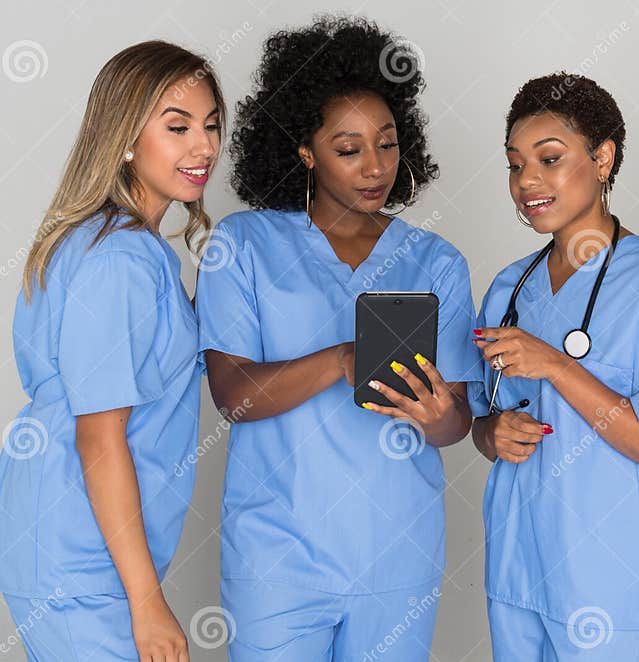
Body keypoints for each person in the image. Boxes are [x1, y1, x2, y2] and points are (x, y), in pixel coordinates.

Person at [195, 16, 481, 661]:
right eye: (349, 150)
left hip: (397, 552)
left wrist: (438, 414)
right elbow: (233, 395)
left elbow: (456, 422)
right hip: (276, 556)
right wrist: (343, 359)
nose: (375, 167)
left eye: (388, 144)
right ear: (306, 152)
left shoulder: (436, 261)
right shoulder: (243, 244)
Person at [470, 72, 639, 661]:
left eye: (549, 159)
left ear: (603, 159)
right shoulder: (509, 286)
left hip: (606, 581)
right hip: (517, 570)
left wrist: (557, 366)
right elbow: (481, 422)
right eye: (515, 164)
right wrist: (493, 433)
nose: (527, 181)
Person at [0, 40, 224, 661]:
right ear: (125, 137)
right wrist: (147, 603)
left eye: (210, 125)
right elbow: (99, 438)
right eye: (177, 127)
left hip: (70, 546)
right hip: (81, 560)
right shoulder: (119, 259)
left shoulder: (119, 243)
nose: (204, 146)